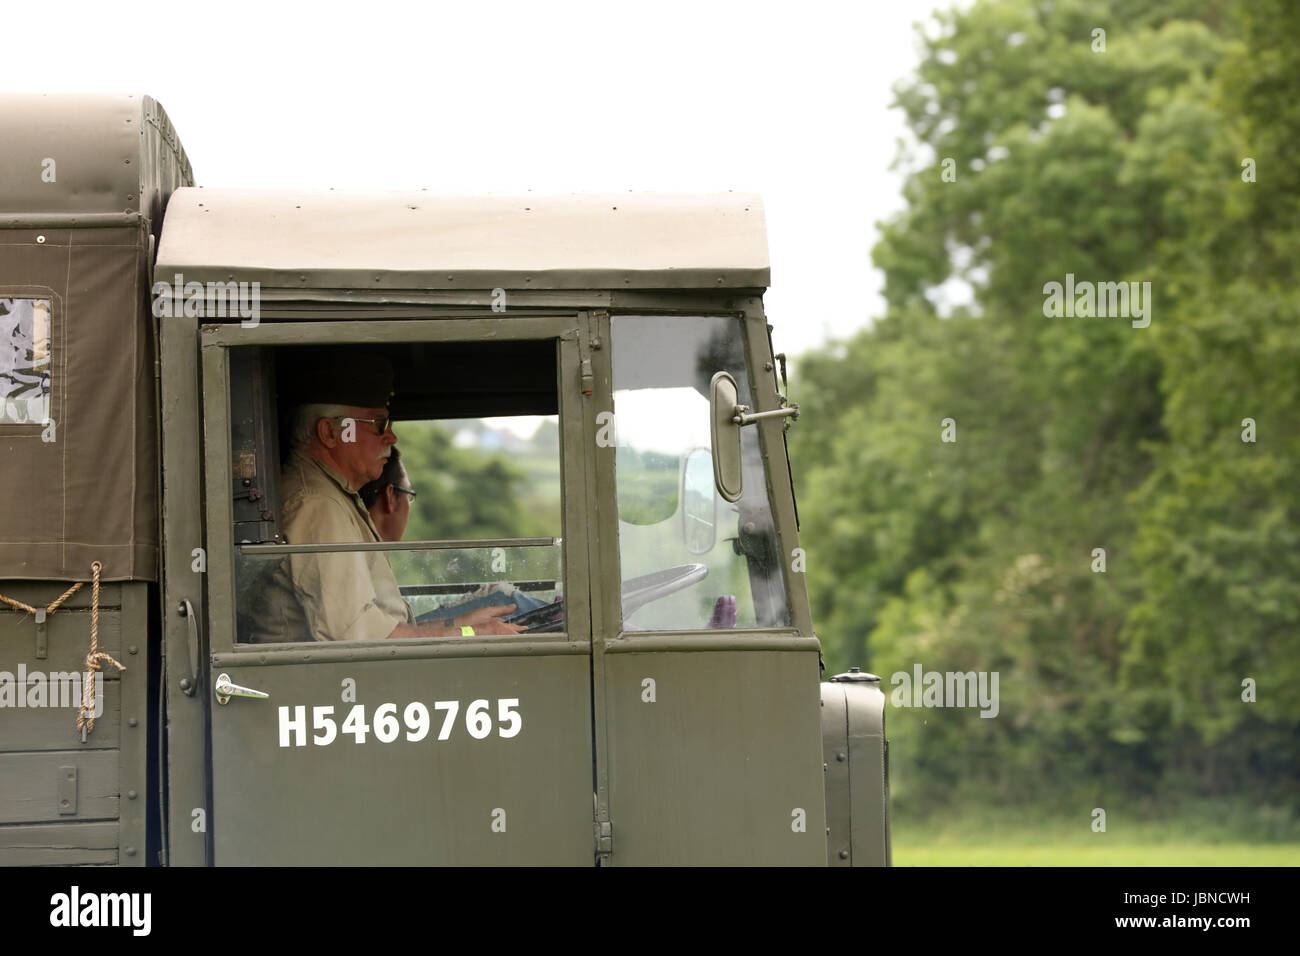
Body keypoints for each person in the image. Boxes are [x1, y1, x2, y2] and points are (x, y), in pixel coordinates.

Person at [245, 353, 522, 643]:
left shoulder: (329, 494)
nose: (391, 437)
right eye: (378, 424)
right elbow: (362, 640)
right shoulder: (318, 505)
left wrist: (457, 622)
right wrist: (467, 632)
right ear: (330, 432)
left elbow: (376, 629)